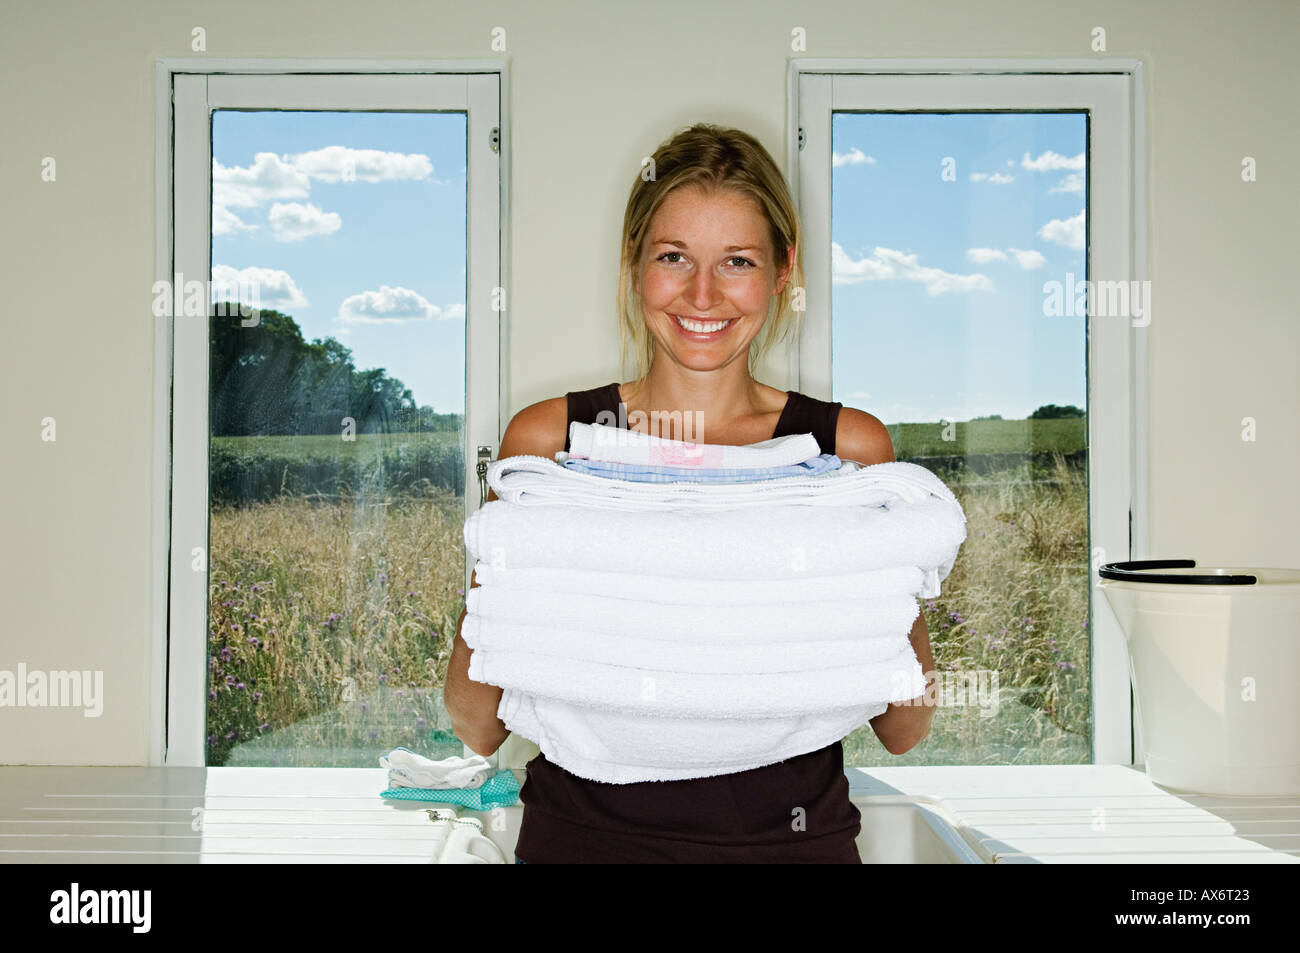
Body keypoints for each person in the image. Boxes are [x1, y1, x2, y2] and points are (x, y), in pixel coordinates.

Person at [444, 122, 937, 863]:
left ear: (782, 272)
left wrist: (881, 585)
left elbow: (905, 723)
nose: (702, 293)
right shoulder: (550, 443)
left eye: (736, 261)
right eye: (673, 257)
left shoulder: (847, 449)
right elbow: (476, 720)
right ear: (634, 264)